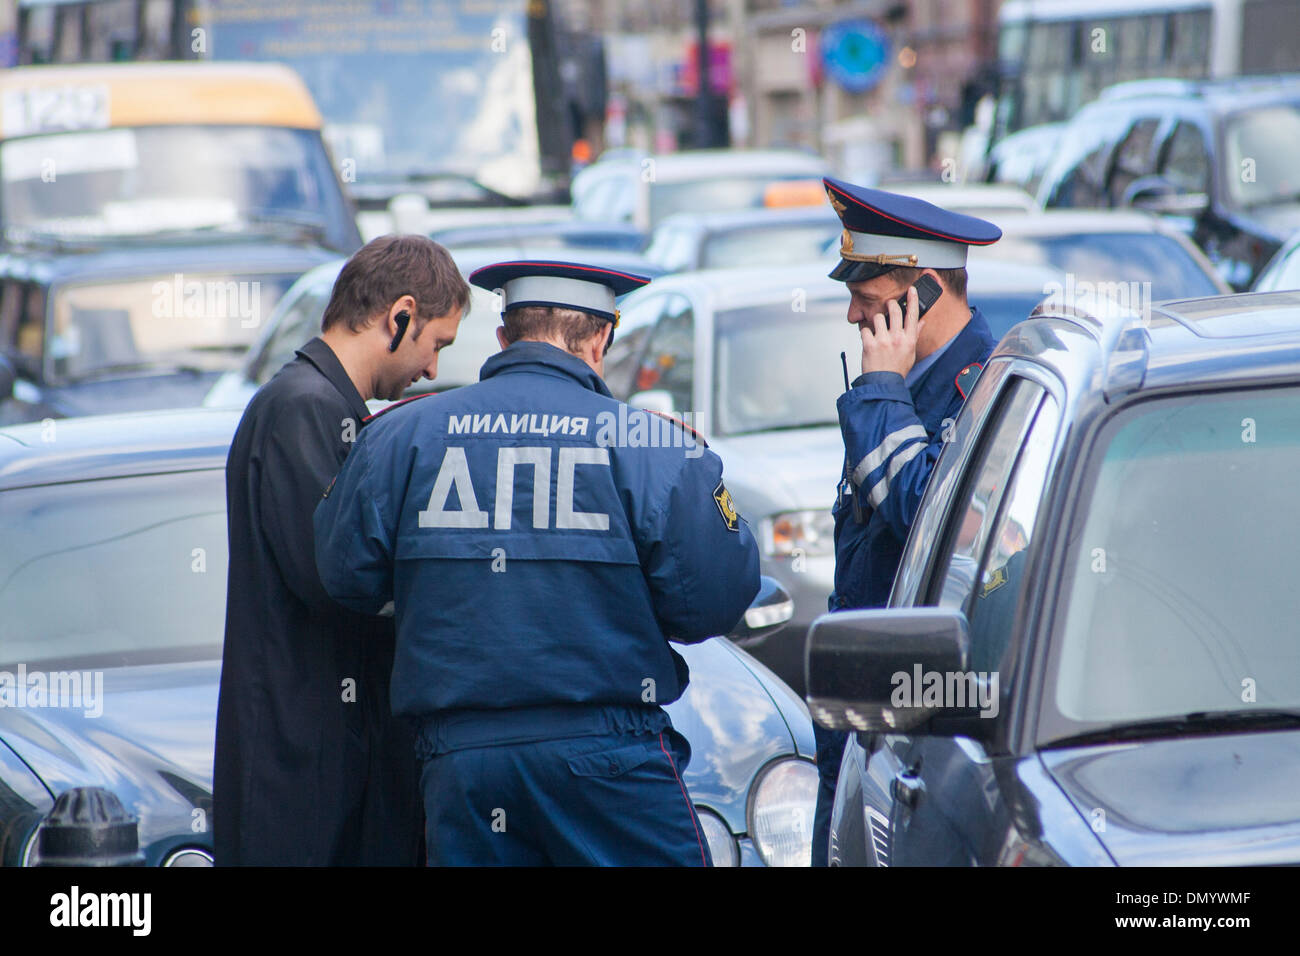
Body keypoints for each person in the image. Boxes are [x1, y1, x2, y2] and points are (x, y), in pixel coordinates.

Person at [313, 259, 760, 866]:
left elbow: (345, 577)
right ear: (601, 338)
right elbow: (715, 601)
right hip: (611, 762)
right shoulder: (654, 446)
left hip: (463, 768)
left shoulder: (400, 436)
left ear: (503, 338)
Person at [214, 234, 470, 865]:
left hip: (318, 758)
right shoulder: (305, 408)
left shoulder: (319, 406)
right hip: (301, 770)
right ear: (399, 315)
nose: (433, 370)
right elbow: (337, 580)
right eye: (436, 344)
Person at [813, 177, 1004, 866]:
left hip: (920, 729)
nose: (851, 318)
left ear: (920, 292)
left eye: (865, 301)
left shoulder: (981, 390)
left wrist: (884, 395)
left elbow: (932, 511)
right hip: (863, 726)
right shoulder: (901, 386)